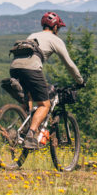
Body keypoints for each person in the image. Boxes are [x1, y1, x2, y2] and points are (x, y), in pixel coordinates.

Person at [10, 11, 84, 149]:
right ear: (55, 27)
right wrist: (80, 81)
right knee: (45, 105)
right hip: (31, 69)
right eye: (59, 28)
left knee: (29, 101)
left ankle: (19, 132)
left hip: (14, 67)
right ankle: (31, 135)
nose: (58, 31)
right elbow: (69, 64)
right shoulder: (55, 39)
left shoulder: (33, 35)